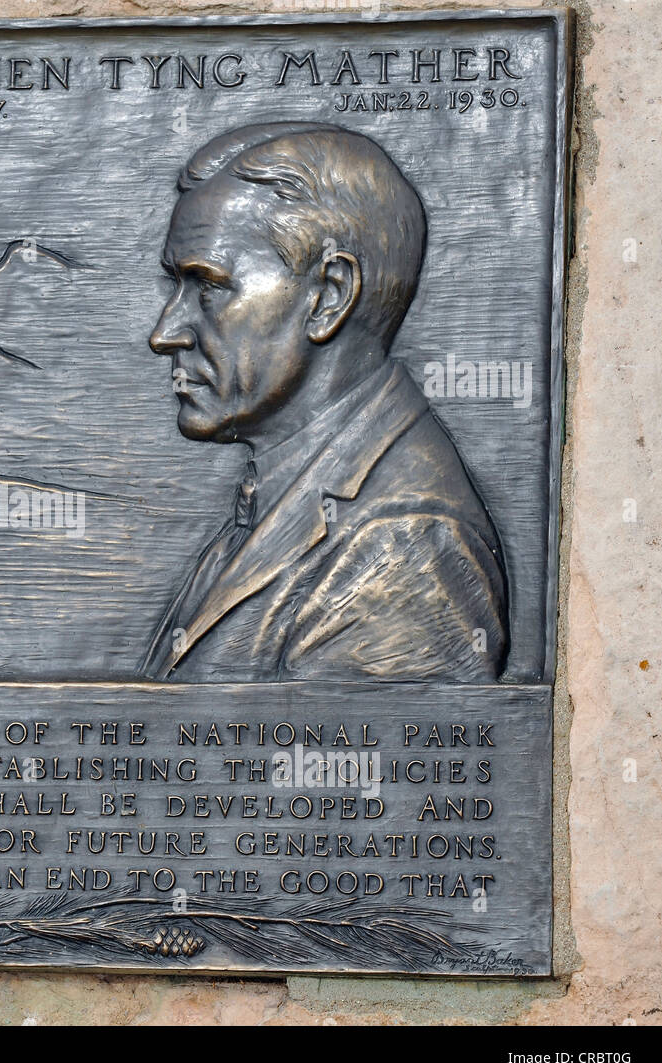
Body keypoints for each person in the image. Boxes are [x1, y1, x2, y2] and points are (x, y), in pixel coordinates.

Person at [141, 121, 508, 682]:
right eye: (177, 286)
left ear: (328, 297)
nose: (166, 332)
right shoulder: (287, 492)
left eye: (208, 285)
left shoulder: (404, 548)